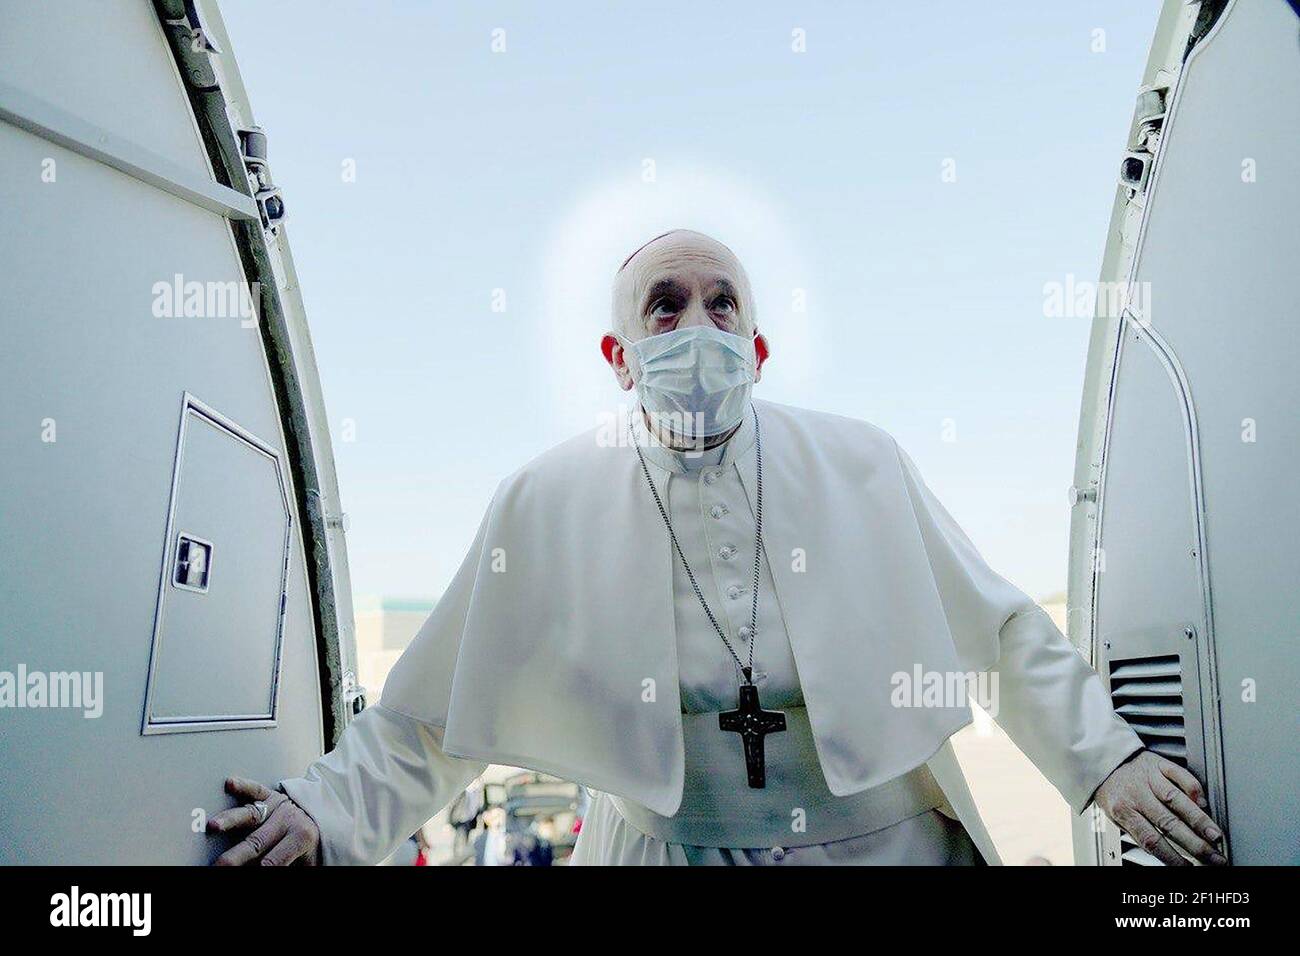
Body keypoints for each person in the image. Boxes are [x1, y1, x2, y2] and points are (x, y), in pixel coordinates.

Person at [207, 230, 1225, 867]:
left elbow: (998, 634)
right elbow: (437, 715)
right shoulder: (543, 499)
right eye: (665, 303)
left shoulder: (862, 462)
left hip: (883, 846)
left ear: (757, 345)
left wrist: (1106, 761)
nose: (697, 321)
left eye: (721, 301)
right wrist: (322, 812)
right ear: (620, 357)